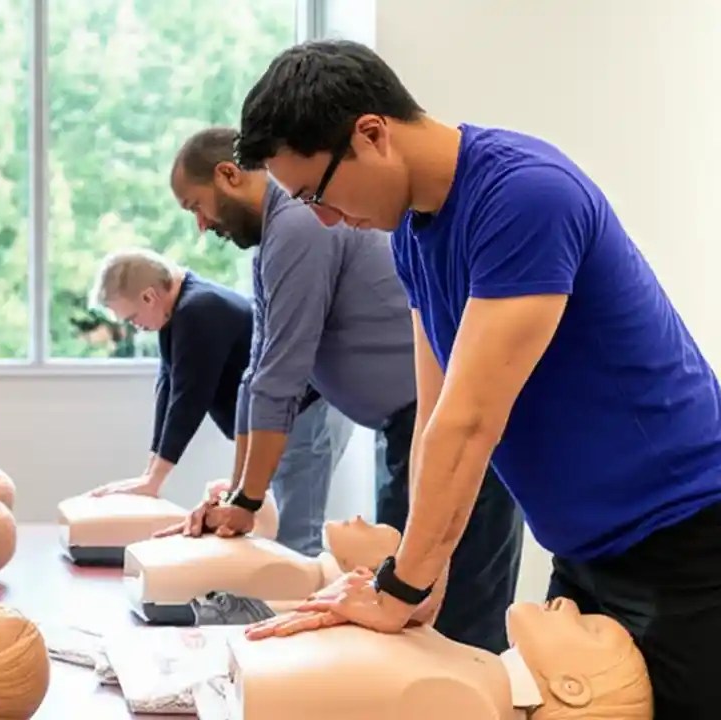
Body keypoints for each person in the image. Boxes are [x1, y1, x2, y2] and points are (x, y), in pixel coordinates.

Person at [233, 38, 721, 718]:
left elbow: (470, 424)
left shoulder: (525, 197)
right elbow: (433, 421)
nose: (321, 219)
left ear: (371, 134)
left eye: (316, 193)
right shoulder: (411, 237)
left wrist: (398, 588)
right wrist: (414, 572)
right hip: (585, 549)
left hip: (683, 539)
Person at [163, 126, 523, 654]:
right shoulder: (272, 245)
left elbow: (283, 374)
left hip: (446, 436)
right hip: (404, 432)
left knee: (454, 622)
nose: (200, 225)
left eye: (197, 206)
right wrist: (237, 493)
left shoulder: (299, 225)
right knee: (405, 617)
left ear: (228, 175)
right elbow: (258, 375)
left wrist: (248, 500)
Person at [84, 246, 354, 556]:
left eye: (132, 318)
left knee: (296, 535)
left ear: (149, 296)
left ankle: (301, 601)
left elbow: (190, 398)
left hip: (305, 414)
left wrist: (154, 479)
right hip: (283, 418)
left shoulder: (200, 309)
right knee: (280, 528)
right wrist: (150, 474)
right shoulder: (178, 313)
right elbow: (169, 386)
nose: (135, 327)